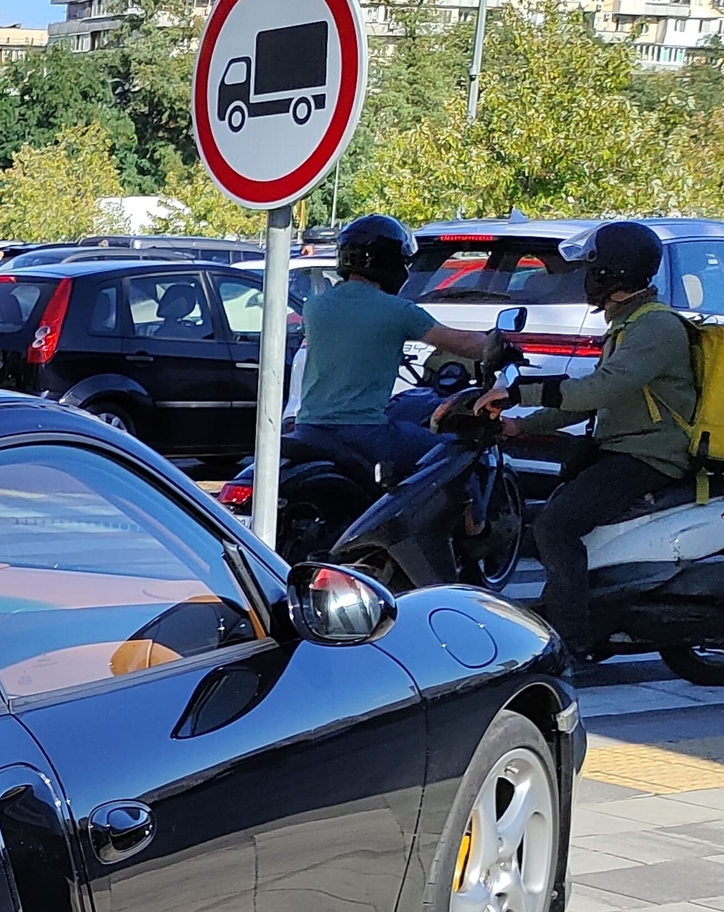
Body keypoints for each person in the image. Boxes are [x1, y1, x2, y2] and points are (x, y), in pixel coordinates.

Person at [475, 220, 698, 658]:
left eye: (592, 269)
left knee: (555, 527)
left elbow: (600, 389)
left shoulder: (656, 327)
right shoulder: (629, 323)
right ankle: (579, 608)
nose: (586, 278)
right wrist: (522, 426)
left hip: (650, 454)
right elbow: (588, 400)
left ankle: (573, 643)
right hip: (621, 446)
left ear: (614, 273)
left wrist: (519, 393)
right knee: (542, 517)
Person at [292, 215, 491, 481]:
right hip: (362, 432)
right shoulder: (398, 310)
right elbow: (462, 343)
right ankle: (465, 509)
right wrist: (501, 347)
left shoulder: (315, 306)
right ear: (392, 261)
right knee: (455, 451)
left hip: (308, 427)